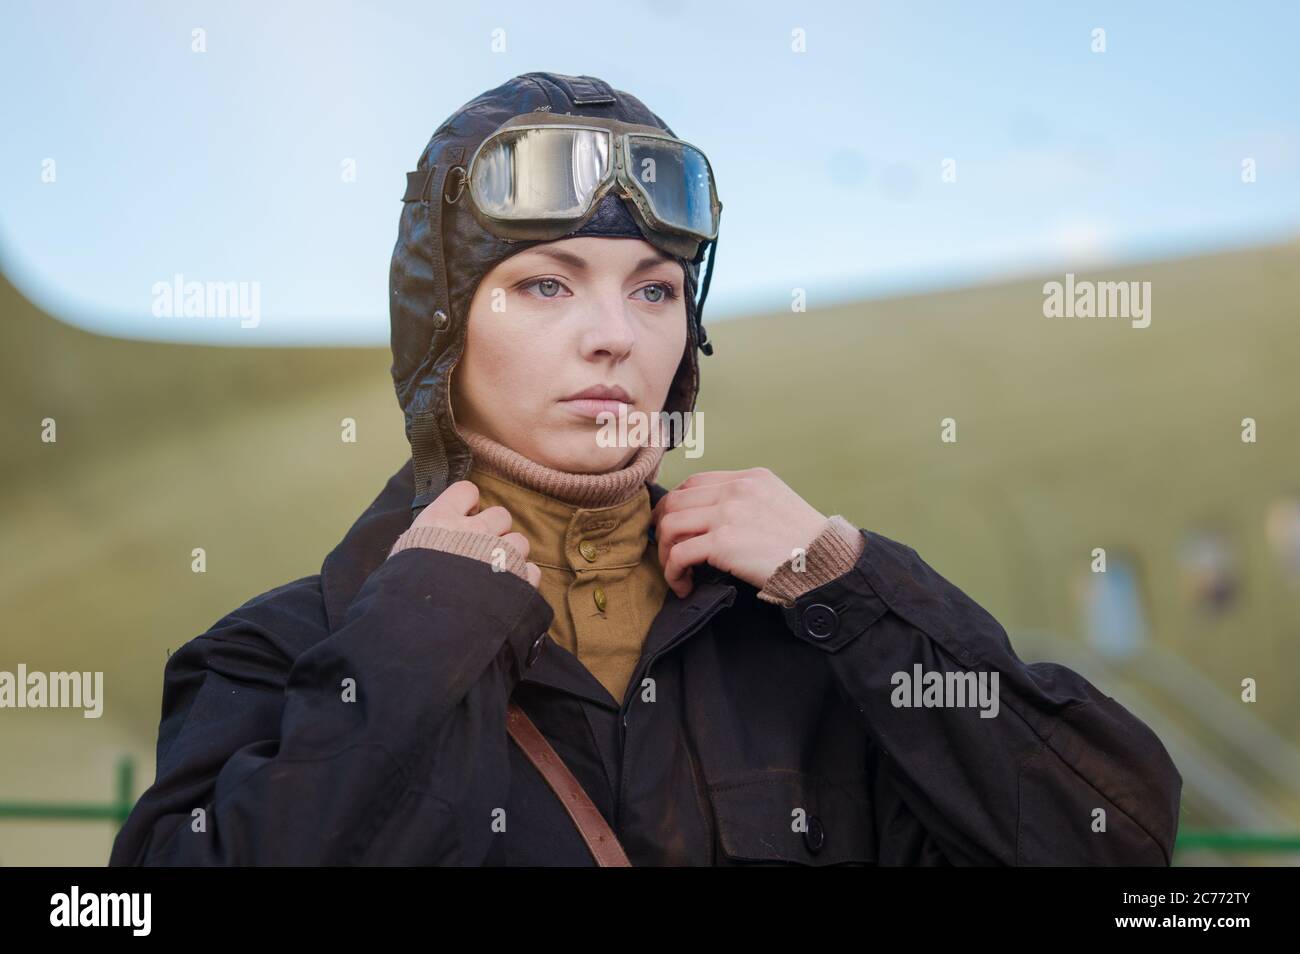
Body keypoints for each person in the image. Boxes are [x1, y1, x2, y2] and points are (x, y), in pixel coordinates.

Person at [109, 72, 1182, 866]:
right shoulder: (283, 650)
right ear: (441, 326)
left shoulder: (803, 636)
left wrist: (853, 587)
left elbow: (1116, 844)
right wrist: (418, 634)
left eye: (656, 289)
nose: (613, 335)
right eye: (545, 285)